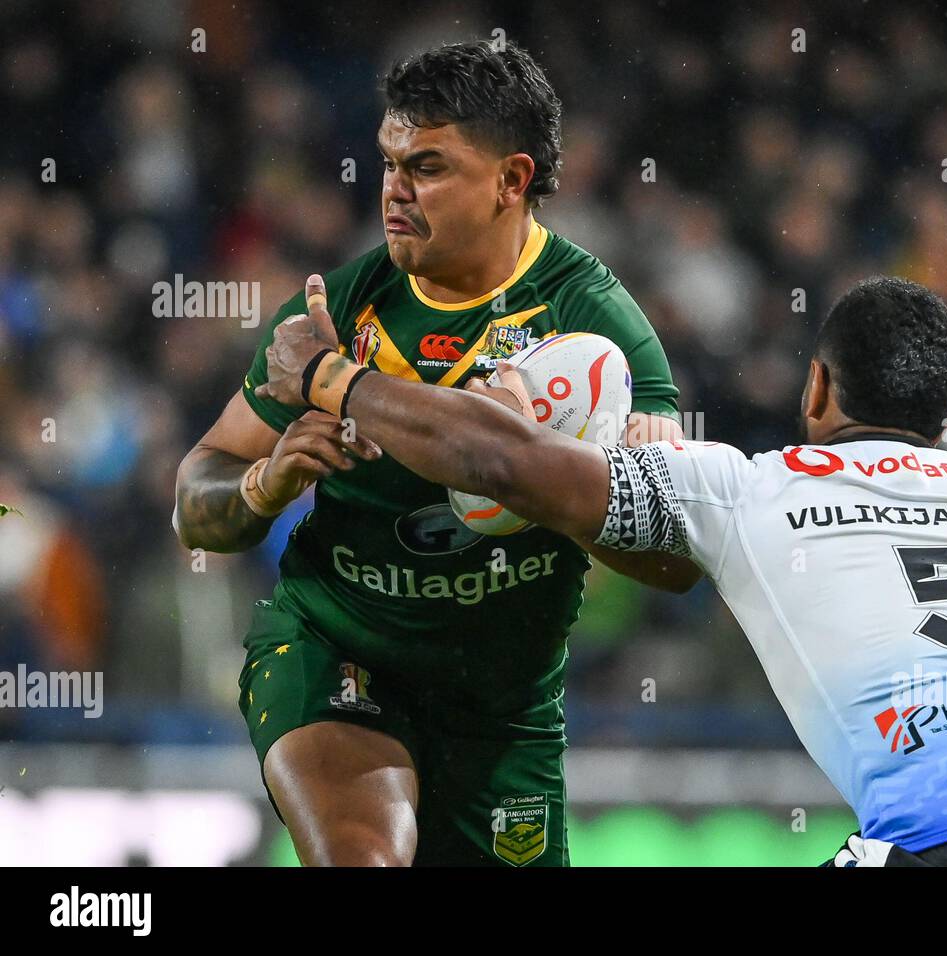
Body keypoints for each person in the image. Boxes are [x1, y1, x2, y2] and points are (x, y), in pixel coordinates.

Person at [255, 274, 947, 866]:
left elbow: (504, 466)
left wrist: (334, 381)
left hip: (943, 831)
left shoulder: (744, 488)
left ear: (817, 389)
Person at [173, 41, 695, 867]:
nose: (394, 190)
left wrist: (550, 473)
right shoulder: (338, 309)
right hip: (337, 651)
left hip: (502, 705)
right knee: (363, 857)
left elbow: (673, 560)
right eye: (387, 163)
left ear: (511, 181)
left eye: (427, 167)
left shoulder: (598, 333)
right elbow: (194, 503)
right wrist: (268, 484)